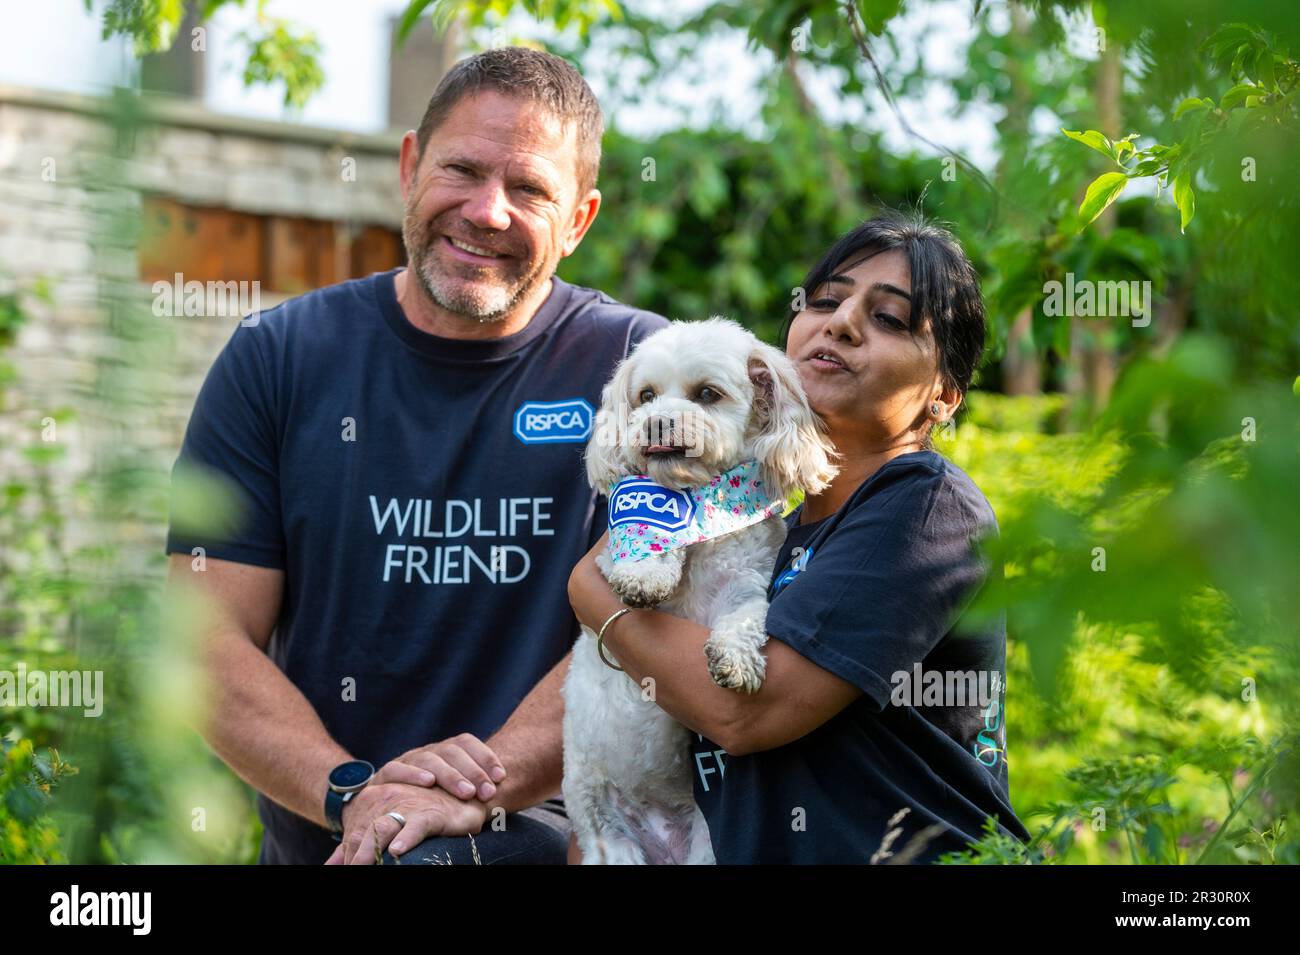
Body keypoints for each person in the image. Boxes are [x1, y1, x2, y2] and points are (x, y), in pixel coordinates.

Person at [164, 46, 668, 865]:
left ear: (579, 219)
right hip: (330, 842)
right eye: (461, 170)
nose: (487, 210)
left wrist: (463, 796)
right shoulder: (278, 357)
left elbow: (649, 631)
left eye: (530, 189)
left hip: (550, 836)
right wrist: (356, 795)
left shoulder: (645, 374)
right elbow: (202, 634)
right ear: (408, 166)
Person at [567, 210, 1031, 863]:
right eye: (826, 300)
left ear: (945, 395)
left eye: (889, 318)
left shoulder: (925, 509)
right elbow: (631, 686)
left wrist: (593, 592)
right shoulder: (753, 516)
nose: (841, 322)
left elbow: (742, 713)